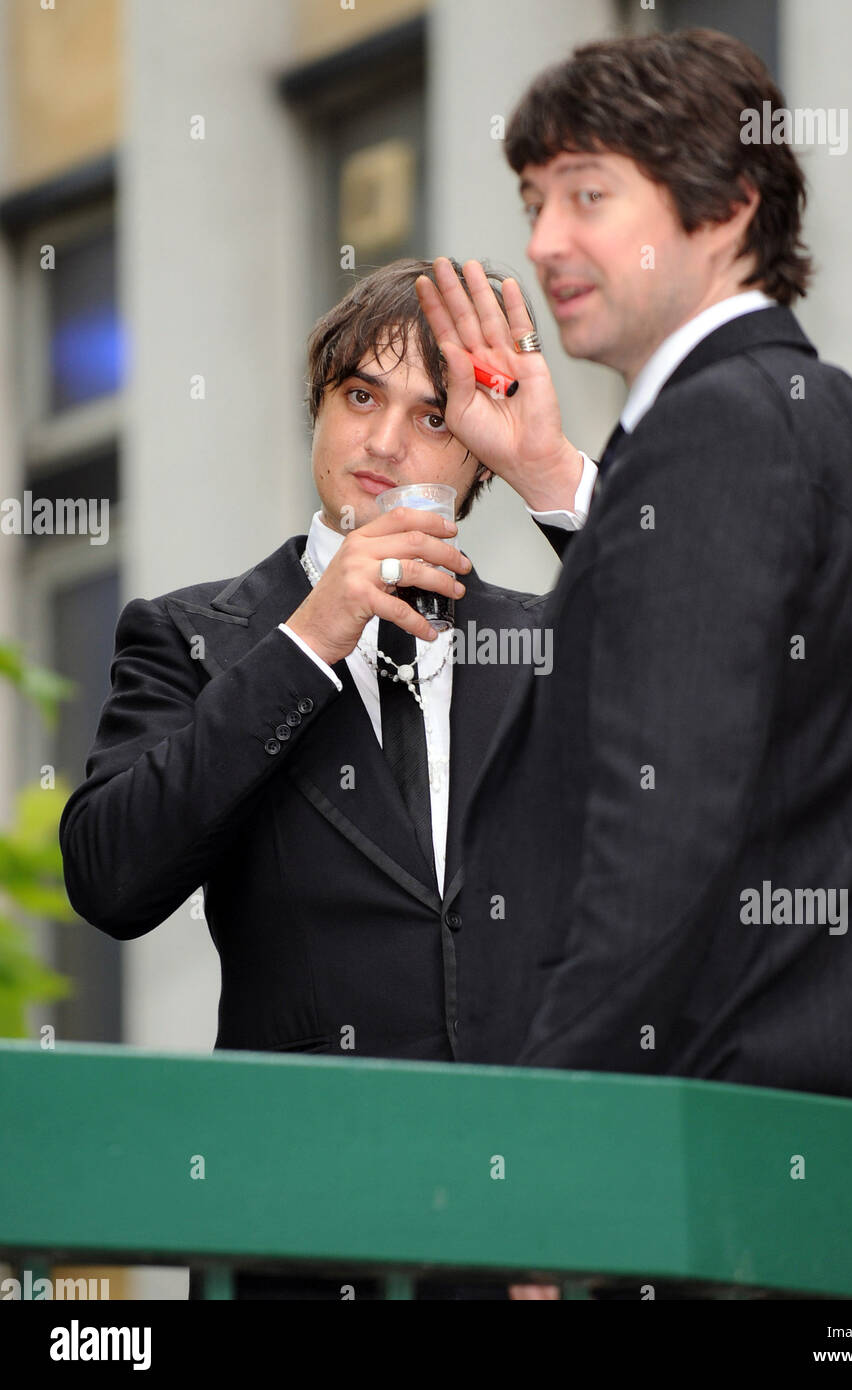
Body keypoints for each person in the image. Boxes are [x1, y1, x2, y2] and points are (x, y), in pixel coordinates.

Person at [415, 29, 852, 1117]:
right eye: (532, 200)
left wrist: (541, 1151)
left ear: (725, 202)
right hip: (848, 1139)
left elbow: (662, 825)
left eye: (587, 195)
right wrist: (548, 470)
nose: (542, 241)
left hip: (712, 1156)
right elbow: (732, 698)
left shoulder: (712, 433)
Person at [59, 257, 557, 1299]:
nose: (380, 442)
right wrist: (314, 634)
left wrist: (552, 470)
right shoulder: (192, 637)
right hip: (294, 1235)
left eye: (431, 416)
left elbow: (723, 691)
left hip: (520, 1234)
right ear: (318, 408)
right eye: (358, 396)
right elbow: (109, 877)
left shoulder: (548, 644)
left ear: (478, 460)